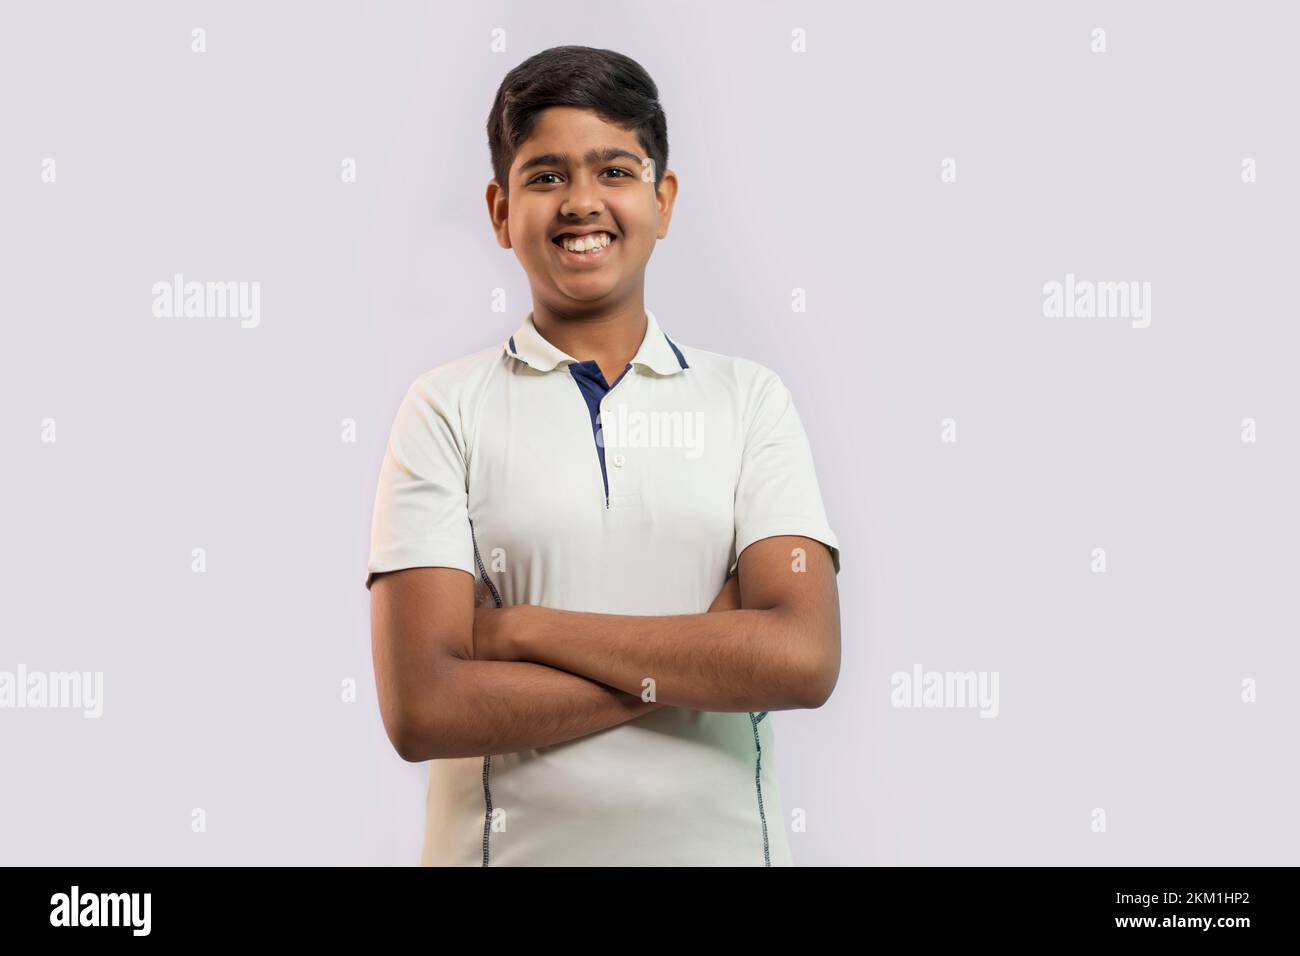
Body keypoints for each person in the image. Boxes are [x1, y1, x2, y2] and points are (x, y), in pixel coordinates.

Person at [365, 44, 841, 866]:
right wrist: (710, 652)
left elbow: (800, 659)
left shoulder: (749, 401)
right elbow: (425, 708)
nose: (582, 202)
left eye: (615, 170)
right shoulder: (443, 410)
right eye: (546, 176)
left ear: (663, 200)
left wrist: (519, 631)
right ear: (499, 210)